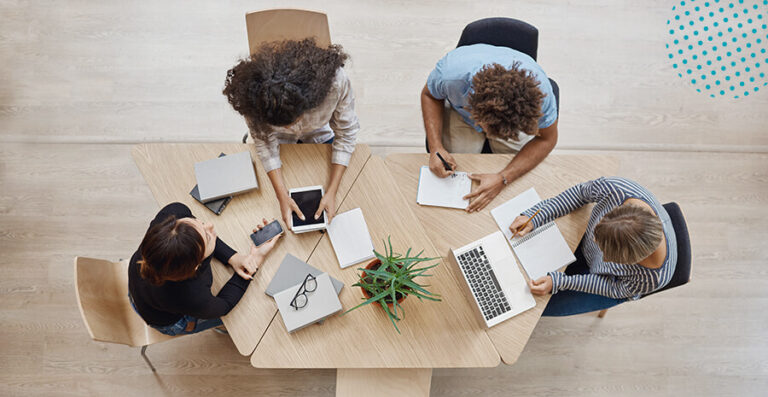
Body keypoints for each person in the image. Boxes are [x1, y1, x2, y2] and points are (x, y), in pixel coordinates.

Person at [223, 39, 360, 228]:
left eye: (292, 123)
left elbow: (346, 134)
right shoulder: (254, 97)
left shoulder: (336, 83)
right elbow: (264, 142)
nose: (289, 129)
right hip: (277, 143)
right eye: (280, 125)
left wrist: (332, 191)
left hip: (319, 135)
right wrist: (281, 196)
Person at [509, 177, 677, 316]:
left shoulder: (652, 278)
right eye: (597, 235)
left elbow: (615, 288)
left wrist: (560, 281)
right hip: (582, 247)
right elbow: (581, 193)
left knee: (533, 308)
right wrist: (536, 216)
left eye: (605, 251)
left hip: (610, 282)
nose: (594, 241)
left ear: (631, 261)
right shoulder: (618, 189)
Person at [421, 43, 558, 212]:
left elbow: (548, 138)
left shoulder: (540, 96)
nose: (486, 134)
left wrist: (503, 178)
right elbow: (429, 95)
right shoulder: (451, 76)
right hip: (463, 113)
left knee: (518, 176)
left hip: (508, 121)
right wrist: (436, 147)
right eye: (485, 128)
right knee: (458, 165)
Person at [128, 202, 280, 335]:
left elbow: (194, 239)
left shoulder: (172, 214)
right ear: (196, 266)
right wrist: (255, 260)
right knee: (238, 321)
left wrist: (233, 258)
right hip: (167, 321)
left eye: (198, 222)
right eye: (207, 237)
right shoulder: (192, 296)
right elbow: (224, 306)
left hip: (140, 294)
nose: (210, 225)